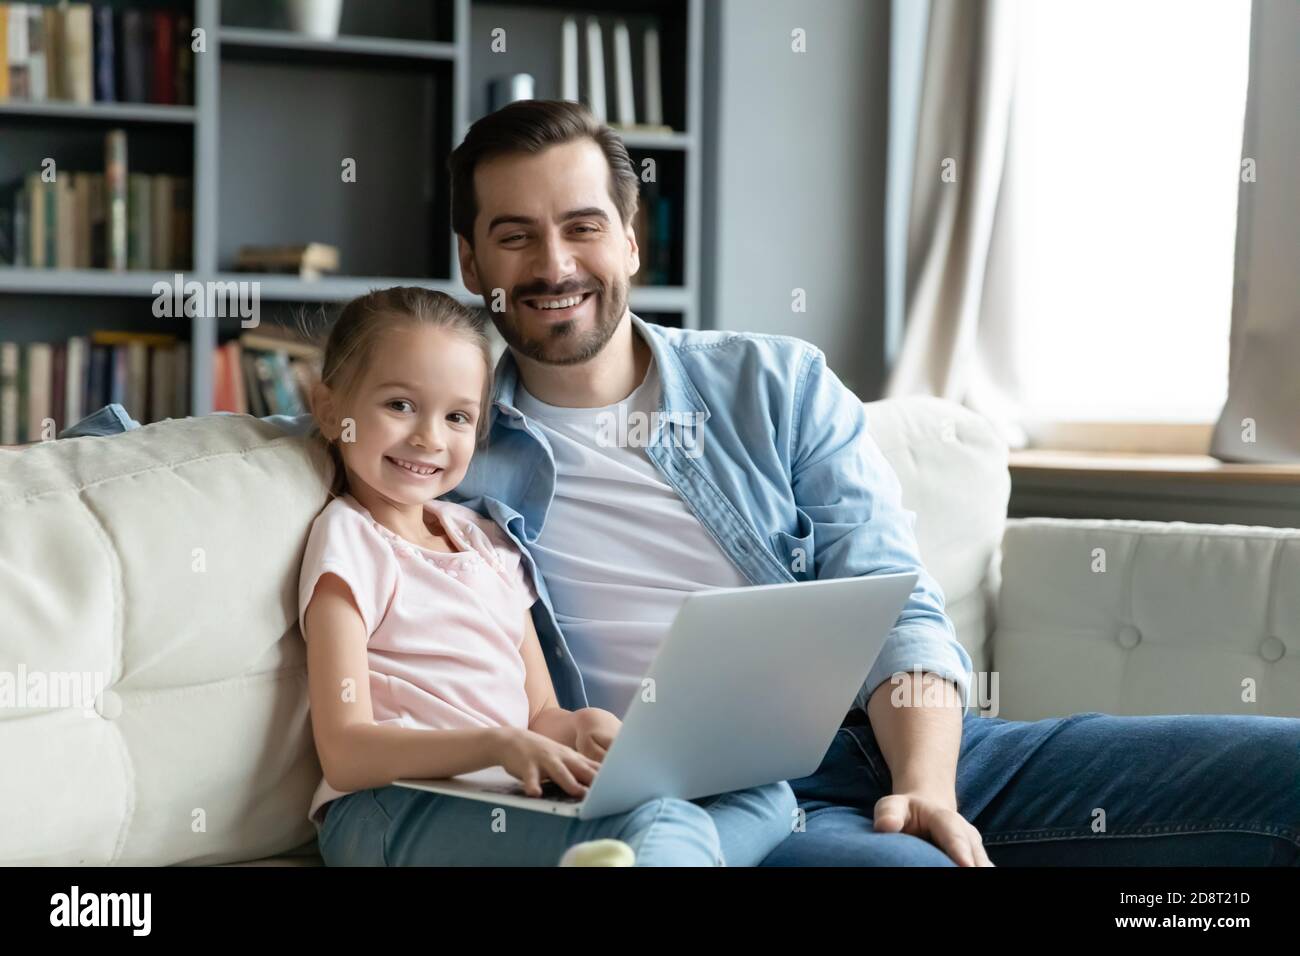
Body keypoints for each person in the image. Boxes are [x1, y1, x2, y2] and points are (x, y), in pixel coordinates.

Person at [64, 100, 1300, 866]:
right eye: (514, 235)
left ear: (632, 236)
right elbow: (259, 435)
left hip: (924, 743)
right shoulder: (444, 437)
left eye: (582, 224)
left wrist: (926, 782)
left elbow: (893, 597)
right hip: (730, 800)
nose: (554, 263)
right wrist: (91, 445)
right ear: (471, 260)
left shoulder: (776, 382)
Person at [294, 285, 794, 866]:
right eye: (400, 405)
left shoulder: (486, 540)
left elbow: (541, 715)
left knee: (765, 793)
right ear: (330, 410)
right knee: (662, 822)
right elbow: (345, 751)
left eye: (457, 416)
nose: (429, 438)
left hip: (505, 796)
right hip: (387, 808)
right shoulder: (350, 541)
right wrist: (498, 746)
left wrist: (587, 727)